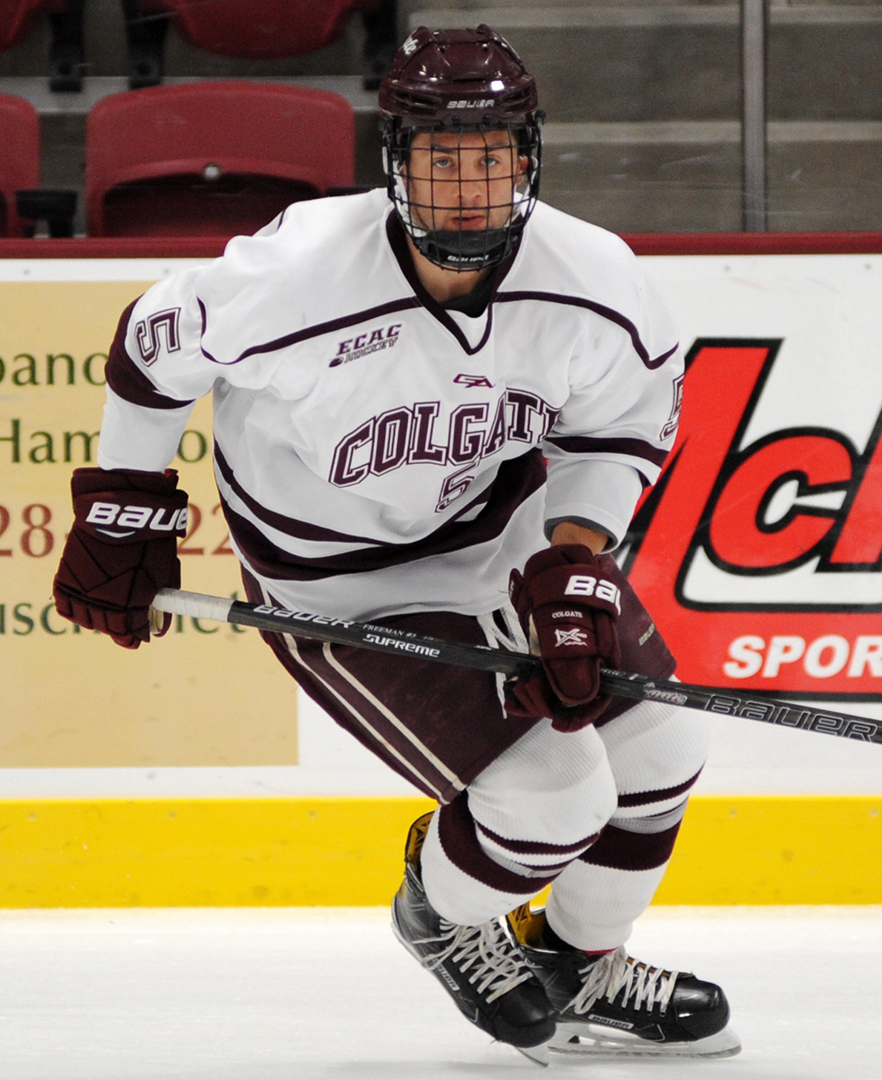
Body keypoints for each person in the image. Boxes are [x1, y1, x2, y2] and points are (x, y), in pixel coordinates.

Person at [50, 24, 738, 1062]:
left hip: (499, 537)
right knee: (555, 800)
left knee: (662, 754)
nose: (468, 188)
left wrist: (577, 563)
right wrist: (123, 503)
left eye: (492, 159)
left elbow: (620, 431)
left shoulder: (593, 277)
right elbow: (152, 350)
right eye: (440, 160)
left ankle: (577, 961)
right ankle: (442, 914)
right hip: (336, 585)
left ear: (530, 157)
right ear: (395, 162)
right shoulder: (299, 273)